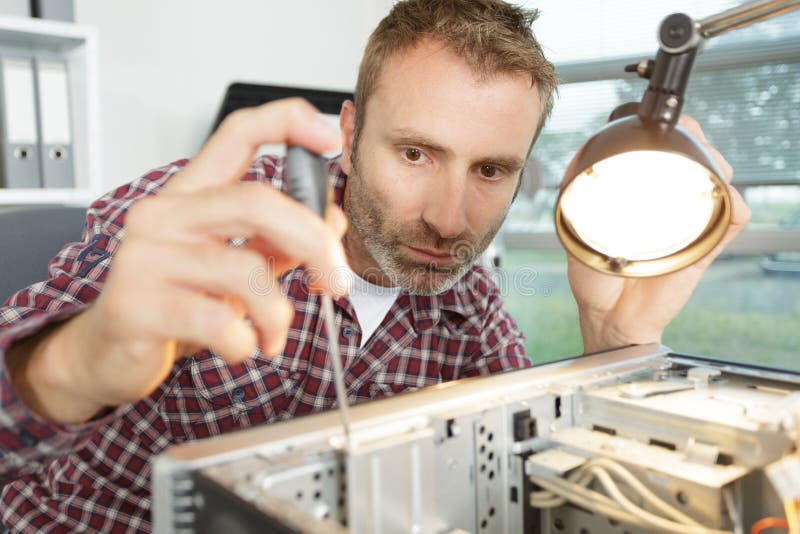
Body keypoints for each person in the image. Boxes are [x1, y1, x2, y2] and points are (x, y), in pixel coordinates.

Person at [0, 0, 749, 531]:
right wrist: (79, 362)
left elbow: (528, 491)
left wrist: (611, 334)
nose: (449, 219)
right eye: (416, 153)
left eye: (490, 170)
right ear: (351, 132)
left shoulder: (472, 309)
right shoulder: (207, 217)